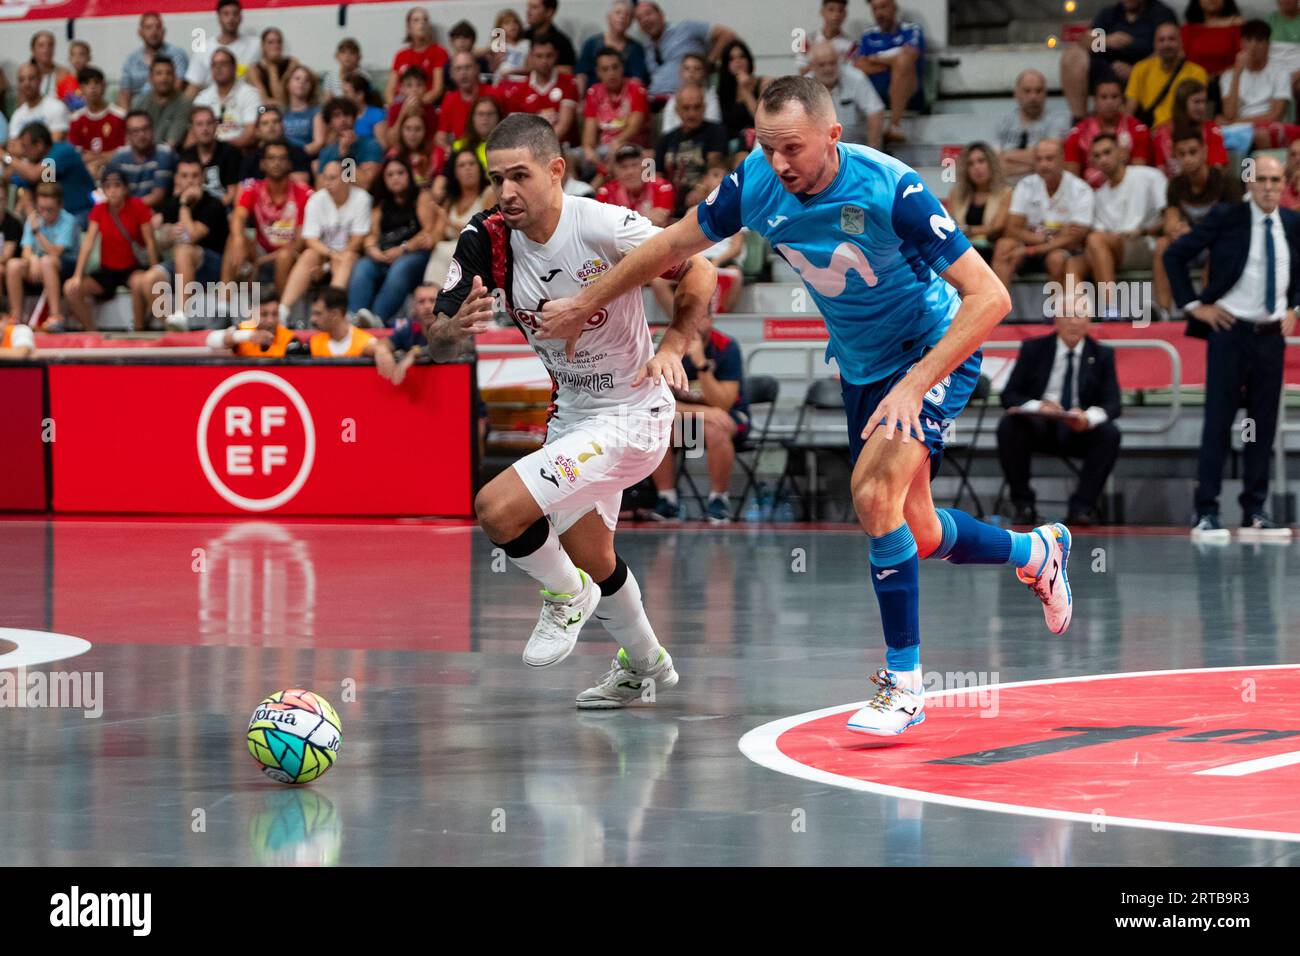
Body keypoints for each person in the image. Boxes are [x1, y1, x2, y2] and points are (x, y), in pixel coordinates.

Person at [539, 76, 1071, 735]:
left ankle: (903, 687)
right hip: (862, 365)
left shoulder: (892, 189)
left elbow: (988, 296)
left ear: (833, 137)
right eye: (766, 145)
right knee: (920, 529)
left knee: (873, 497)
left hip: (932, 351)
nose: (778, 162)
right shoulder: (756, 181)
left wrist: (914, 383)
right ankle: (1036, 551)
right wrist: (587, 302)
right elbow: (673, 245)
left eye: (791, 147)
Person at [437, 112, 715, 706]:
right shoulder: (485, 240)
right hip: (572, 416)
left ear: (556, 171)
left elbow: (701, 268)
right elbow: (437, 336)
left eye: (520, 175)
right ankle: (644, 665)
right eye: (497, 179)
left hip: (635, 411)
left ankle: (566, 597)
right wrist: (451, 329)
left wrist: (671, 345)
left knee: (496, 508)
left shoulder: (605, 226)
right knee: (594, 554)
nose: (507, 191)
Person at [1163, 154, 1298, 540]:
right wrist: (1195, 306)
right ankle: (1206, 512)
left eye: (1277, 180)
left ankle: (1255, 511)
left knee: (1261, 427)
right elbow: (1176, 254)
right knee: (1218, 424)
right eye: (1263, 180)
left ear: (1284, 183)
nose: (1270, 187)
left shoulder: (1293, 223)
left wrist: (1294, 306)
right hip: (1229, 333)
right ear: (1250, 183)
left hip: (1271, 338)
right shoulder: (1227, 218)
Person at [997, 292, 1123, 526]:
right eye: (1067, 315)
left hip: (1079, 431)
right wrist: (1039, 407)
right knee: (1009, 425)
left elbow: (1113, 404)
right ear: (1055, 319)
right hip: (1039, 428)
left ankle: (1082, 509)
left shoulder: (1103, 354)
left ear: (1089, 321)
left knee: (1110, 433)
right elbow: (1009, 395)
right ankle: (1023, 505)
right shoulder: (1033, 349)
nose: (1073, 321)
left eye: (1079, 315)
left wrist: (1088, 417)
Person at [648, 310, 749, 522]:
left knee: (716, 430)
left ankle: (719, 500)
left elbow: (723, 404)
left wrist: (702, 365)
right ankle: (667, 499)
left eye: (700, 317)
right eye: (689, 316)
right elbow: (655, 403)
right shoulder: (666, 349)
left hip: (727, 416)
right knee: (657, 429)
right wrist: (702, 412)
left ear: (710, 320)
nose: (694, 323)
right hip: (687, 421)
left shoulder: (726, 347)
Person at [1070, 134, 1167, 317]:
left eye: (1107, 152)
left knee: (1096, 240)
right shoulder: (1099, 195)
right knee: (1073, 264)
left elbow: (1169, 217)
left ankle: (1111, 309)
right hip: (1115, 249)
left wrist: (1143, 230)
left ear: (1121, 153)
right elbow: (1100, 234)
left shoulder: (1149, 176)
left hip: (1146, 244)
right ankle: (1078, 319)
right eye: (1097, 156)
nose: (1103, 159)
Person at [1154, 129, 1243, 317]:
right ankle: (1164, 313)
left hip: (1215, 244)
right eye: (1182, 154)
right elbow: (1170, 222)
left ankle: (1208, 308)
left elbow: (1235, 226)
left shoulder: (1226, 182)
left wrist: (1196, 232)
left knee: (1218, 249)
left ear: (1204, 151)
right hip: (1191, 244)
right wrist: (1175, 230)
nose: (1188, 159)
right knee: (1162, 245)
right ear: (1175, 157)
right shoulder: (1175, 185)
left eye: (1193, 152)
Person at [137, 157, 230, 330]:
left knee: (183, 250)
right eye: (185, 176)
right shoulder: (172, 203)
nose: (190, 180)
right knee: (149, 279)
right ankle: (174, 329)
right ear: (177, 180)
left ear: (203, 179)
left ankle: (182, 313)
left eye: (195, 176)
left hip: (215, 268)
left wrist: (185, 205)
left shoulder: (213, 203)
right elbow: (157, 236)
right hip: (183, 267)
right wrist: (167, 234)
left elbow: (191, 237)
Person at [992, 139, 1094, 290]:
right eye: (1039, 159)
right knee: (1004, 246)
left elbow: (1074, 239)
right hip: (1031, 245)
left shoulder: (1081, 190)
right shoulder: (1026, 185)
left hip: (1062, 251)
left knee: (1056, 259)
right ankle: (999, 309)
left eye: (1049, 158)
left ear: (1062, 159)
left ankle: (1055, 311)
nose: (1043, 164)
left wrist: (1032, 248)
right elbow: (1012, 229)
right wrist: (1047, 238)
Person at [348, 156, 438, 326]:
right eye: (390, 175)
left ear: (409, 175)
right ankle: (354, 318)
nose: (395, 177)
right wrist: (371, 248)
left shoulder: (421, 196)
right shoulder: (381, 203)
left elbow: (427, 232)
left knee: (401, 267)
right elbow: (372, 235)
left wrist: (403, 248)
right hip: (386, 254)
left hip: (415, 255)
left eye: (400, 173)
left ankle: (376, 319)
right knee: (363, 266)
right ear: (384, 179)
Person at [64, 168, 158, 332]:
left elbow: (150, 242)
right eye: (107, 186)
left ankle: (139, 330)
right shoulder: (99, 210)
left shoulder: (138, 206)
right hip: (108, 271)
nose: (113, 191)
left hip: (133, 268)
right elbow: (88, 244)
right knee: (70, 289)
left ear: (126, 188)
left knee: (138, 283)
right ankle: (92, 333)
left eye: (117, 185)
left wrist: (155, 270)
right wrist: (77, 275)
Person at [1060, 0, 1178, 124]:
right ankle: (1080, 122)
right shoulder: (1109, 13)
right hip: (1105, 72)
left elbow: (1167, 48)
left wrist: (1136, 71)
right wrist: (1106, 41)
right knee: (1072, 55)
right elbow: (1085, 41)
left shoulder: (1161, 13)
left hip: (1143, 74)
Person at [281, 159, 372, 316]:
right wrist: (331, 257)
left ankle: (329, 312)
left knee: (347, 258)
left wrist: (333, 262)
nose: (327, 183)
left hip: (350, 255)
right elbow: (310, 240)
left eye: (333, 178)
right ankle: (283, 310)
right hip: (325, 254)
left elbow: (358, 239)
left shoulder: (362, 198)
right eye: (325, 177)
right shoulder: (316, 199)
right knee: (309, 254)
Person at [223, 140, 311, 296]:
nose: (276, 163)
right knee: (234, 238)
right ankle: (225, 303)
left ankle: (282, 312)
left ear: (289, 164)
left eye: (281, 158)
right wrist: (238, 240)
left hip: (289, 256)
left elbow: (298, 244)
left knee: (284, 256)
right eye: (271, 158)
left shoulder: (303, 193)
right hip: (261, 250)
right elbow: (238, 216)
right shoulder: (253, 188)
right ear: (262, 164)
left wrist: (260, 262)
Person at [4, 182, 78, 329]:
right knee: (13, 265)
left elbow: (56, 252)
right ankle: (16, 317)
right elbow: (26, 250)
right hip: (39, 265)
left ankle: (56, 316)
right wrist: (32, 259)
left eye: (50, 210)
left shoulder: (68, 220)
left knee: (47, 261)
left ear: (60, 205)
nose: (44, 213)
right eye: (41, 208)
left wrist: (37, 232)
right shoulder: (34, 218)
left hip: (65, 267)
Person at [1217, 18, 1300, 151]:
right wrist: (1237, 74)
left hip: (1269, 128)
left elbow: (1275, 115)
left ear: (1268, 45)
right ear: (1241, 43)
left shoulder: (1280, 72)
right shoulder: (1229, 76)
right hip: (1240, 129)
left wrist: (1234, 123)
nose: (1254, 46)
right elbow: (1229, 114)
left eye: (1259, 40)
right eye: (1248, 40)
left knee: (1258, 135)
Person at [853, 0, 925, 144]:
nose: (879, 13)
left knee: (904, 62)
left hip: (909, 91)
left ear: (894, 7)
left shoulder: (911, 30)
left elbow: (910, 54)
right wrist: (892, 62)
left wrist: (875, 58)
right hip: (877, 90)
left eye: (883, 7)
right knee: (855, 69)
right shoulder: (868, 36)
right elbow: (859, 65)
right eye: (875, 9)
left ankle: (895, 126)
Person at [1063, 78, 1152, 189]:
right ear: (1095, 100)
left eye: (1114, 97)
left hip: (1129, 192)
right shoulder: (1078, 133)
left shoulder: (1138, 130)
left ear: (1122, 100)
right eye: (1103, 97)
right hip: (1091, 194)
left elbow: (1140, 175)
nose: (1109, 102)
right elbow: (1071, 179)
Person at [655, 84, 727, 219]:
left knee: (717, 178)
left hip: (702, 194)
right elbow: (657, 175)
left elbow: (715, 165)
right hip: (671, 195)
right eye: (686, 108)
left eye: (696, 107)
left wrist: (700, 187)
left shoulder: (716, 131)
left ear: (704, 108)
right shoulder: (665, 139)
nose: (691, 113)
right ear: (677, 110)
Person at [2, 123, 96, 226]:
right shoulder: (32, 162)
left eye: (26, 147)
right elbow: (9, 178)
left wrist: (4, 156)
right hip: (50, 217)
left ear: (39, 145)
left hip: (81, 212)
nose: (24, 152)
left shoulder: (62, 151)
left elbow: (33, 174)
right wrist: (32, 219)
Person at [425, 148, 495, 286]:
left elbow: (485, 233)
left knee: (442, 250)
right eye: (462, 165)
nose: (468, 168)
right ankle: (432, 297)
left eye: (471, 164)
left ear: (479, 168)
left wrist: (450, 223)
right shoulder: (451, 200)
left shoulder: (488, 193)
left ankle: (433, 296)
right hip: (453, 258)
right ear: (455, 173)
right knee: (439, 248)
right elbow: (436, 238)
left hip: (479, 252)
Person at [634, 3, 736, 97]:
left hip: (687, 102)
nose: (645, 20)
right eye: (640, 18)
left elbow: (727, 35)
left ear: (661, 15)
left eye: (648, 14)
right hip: (655, 101)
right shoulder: (647, 48)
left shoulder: (685, 28)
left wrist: (709, 63)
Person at [1127, 21, 1209, 128]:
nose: (1166, 44)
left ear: (1181, 42)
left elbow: (1197, 111)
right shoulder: (1140, 69)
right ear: (1154, 44)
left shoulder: (1197, 72)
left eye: (1171, 39)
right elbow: (1130, 111)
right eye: (1161, 40)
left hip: (1183, 132)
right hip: (1150, 133)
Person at [498, 38, 580, 145]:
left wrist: (540, 147)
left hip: (564, 147)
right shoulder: (518, 90)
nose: (544, 61)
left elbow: (564, 125)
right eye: (539, 56)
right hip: (531, 148)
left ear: (556, 56)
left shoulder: (569, 83)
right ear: (531, 56)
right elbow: (517, 128)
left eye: (549, 56)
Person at [808, 40, 884, 149]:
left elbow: (875, 111)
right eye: (822, 65)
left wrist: (873, 151)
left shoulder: (856, 78)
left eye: (832, 63)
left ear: (839, 61)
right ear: (812, 66)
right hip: (817, 151)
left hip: (854, 151)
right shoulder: (804, 85)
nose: (828, 69)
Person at [995, 69, 1071, 178]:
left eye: (1038, 91)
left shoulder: (1058, 119)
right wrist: (1034, 164)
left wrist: (1006, 156)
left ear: (1046, 94)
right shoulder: (1002, 121)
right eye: (1027, 91)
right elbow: (994, 163)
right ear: (1016, 94)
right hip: (1006, 188)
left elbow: (1050, 158)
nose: (1033, 96)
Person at [581, 46, 649, 165]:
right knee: (569, 158)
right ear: (598, 72)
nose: (611, 73)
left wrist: (616, 143)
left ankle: (597, 182)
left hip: (633, 147)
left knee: (617, 152)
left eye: (615, 67)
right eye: (605, 69)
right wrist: (588, 149)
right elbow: (589, 131)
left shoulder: (637, 89)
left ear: (622, 67)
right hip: (602, 149)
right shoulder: (593, 92)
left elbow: (634, 127)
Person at [308, 287, 395, 379]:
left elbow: (374, 347)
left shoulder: (364, 340)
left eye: (318, 314)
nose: (312, 319)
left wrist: (381, 349)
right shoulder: (314, 341)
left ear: (335, 314)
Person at [1148, 78, 1228, 175]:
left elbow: (1217, 170)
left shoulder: (1211, 129)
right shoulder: (1161, 133)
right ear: (1182, 104)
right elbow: (1158, 171)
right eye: (1197, 102)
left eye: (1204, 102)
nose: (1202, 107)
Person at [945, 142, 1012, 257]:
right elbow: (951, 223)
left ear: (991, 164)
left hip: (991, 248)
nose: (977, 167)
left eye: (981, 161)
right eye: (970, 164)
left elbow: (996, 227)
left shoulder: (1006, 192)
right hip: (963, 247)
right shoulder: (956, 193)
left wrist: (968, 230)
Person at [105, 111, 178, 209]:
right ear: (128, 135)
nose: (141, 135)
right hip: (125, 212)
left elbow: (157, 197)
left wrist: (126, 208)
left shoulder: (164, 154)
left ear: (152, 130)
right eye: (135, 131)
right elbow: (111, 191)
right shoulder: (119, 157)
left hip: (155, 212)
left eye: (145, 129)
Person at [184, 0, 260, 94]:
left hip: (247, 101)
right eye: (226, 14)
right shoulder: (203, 48)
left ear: (241, 17)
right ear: (218, 17)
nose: (231, 18)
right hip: (212, 104)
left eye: (235, 13)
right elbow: (193, 86)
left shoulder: (256, 45)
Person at [118, 12, 190, 110]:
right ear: (140, 32)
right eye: (148, 27)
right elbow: (124, 93)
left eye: (158, 27)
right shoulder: (131, 60)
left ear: (163, 31)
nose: (154, 32)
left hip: (168, 109)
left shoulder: (176, 54)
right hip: (137, 114)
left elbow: (178, 86)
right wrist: (126, 118)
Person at [191, 49, 260, 148]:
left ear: (234, 67)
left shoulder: (250, 94)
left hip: (238, 153)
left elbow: (251, 133)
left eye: (223, 63)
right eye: (214, 65)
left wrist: (224, 151)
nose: (218, 68)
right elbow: (193, 133)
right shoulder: (202, 98)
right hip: (208, 153)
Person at [595, 143, 675, 226]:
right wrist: (646, 217)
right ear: (616, 171)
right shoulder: (606, 192)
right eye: (623, 167)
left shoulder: (662, 187)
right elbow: (600, 223)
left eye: (635, 165)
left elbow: (659, 219)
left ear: (645, 167)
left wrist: (619, 221)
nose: (630, 172)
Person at [576, 1, 649, 91]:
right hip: (593, 98)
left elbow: (638, 79)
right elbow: (581, 76)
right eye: (618, 13)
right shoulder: (591, 44)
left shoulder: (636, 48)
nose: (622, 17)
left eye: (628, 15)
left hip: (625, 99)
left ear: (631, 21)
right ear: (608, 17)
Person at [315, 97, 384, 192]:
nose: (343, 120)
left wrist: (345, 157)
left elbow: (364, 184)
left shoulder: (371, 145)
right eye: (336, 116)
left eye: (347, 115)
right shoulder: (326, 152)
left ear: (355, 118)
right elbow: (320, 188)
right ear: (330, 123)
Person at [68, 67, 127, 179]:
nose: (92, 87)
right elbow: (77, 156)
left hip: (116, 170)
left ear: (104, 86)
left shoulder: (120, 116)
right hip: (86, 171)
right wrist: (103, 156)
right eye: (87, 83)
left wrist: (97, 159)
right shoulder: (75, 119)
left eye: (96, 82)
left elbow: (123, 153)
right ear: (80, 88)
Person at [206, 283, 296, 356]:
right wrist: (247, 336)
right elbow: (211, 339)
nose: (270, 320)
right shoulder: (242, 331)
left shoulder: (290, 339)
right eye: (263, 314)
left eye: (275, 314)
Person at [179, 105, 242, 207]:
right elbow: (179, 190)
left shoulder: (230, 153)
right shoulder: (186, 155)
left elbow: (232, 194)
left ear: (216, 125)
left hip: (223, 210)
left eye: (209, 123)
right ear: (192, 129)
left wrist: (212, 213)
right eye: (199, 124)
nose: (205, 128)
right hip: (194, 208)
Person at [387, 7, 448, 105]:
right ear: (408, 28)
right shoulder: (400, 55)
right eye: (416, 20)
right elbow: (390, 91)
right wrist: (394, 107)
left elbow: (438, 89)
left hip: (426, 105)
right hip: (401, 105)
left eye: (425, 20)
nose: (422, 23)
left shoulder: (439, 52)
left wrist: (416, 104)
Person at [237, 105, 312, 185]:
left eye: (275, 121)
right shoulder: (250, 159)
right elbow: (243, 190)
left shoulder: (298, 153)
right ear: (257, 131)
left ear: (283, 126)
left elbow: (301, 186)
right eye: (265, 123)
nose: (271, 126)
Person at [132, 56, 192, 151]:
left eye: (168, 73)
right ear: (150, 78)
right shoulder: (139, 103)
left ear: (175, 77)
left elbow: (171, 144)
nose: (164, 78)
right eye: (159, 73)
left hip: (171, 157)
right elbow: (132, 138)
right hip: (141, 155)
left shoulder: (184, 103)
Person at [658, 55, 723, 136]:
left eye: (697, 69)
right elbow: (667, 132)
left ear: (704, 73)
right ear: (680, 73)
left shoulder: (711, 97)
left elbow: (714, 126)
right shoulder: (672, 101)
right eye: (687, 69)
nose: (691, 73)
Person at [8, 62, 70, 144]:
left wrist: (23, 146)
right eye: (21, 80)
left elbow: (54, 142)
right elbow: (13, 146)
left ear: (40, 79)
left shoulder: (57, 107)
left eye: (31, 78)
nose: (26, 83)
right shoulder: (17, 115)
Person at [796, 0, 859, 74]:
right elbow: (802, 70)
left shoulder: (852, 45)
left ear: (845, 14)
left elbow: (850, 72)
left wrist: (816, 66)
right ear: (822, 12)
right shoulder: (807, 41)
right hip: (812, 84)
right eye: (831, 10)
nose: (836, 14)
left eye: (840, 10)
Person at [246, 27, 296, 106]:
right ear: (263, 46)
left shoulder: (292, 63)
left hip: (289, 110)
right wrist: (271, 67)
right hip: (263, 111)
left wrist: (273, 68)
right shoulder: (254, 69)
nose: (276, 46)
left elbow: (282, 98)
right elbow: (263, 100)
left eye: (279, 42)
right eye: (270, 42)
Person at [524, 0, 578, 71]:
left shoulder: (562, 43)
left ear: (549, 12)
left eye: (534, 7)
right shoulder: (522, 36)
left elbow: (567, 71)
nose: (528, 12)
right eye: (529, 7)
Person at [282, 66, 322, 154]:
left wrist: (297, 155)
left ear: (311, 87)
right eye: (297, 78)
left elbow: (318, 143)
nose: (302, 82)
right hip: (280, 157)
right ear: (287, 84)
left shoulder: (316, 111)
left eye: (307, 80)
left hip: (304, 157)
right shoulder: (280, 112)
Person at [488, 9, 531, 83]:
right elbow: (492, 69)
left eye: (515, 22)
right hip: (501, 83)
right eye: (507, 23)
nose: (512, 25)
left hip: (519, 83)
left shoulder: (526, 44)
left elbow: (529, 68)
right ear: (499, 28)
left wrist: (512, 72)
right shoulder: (497, 44)